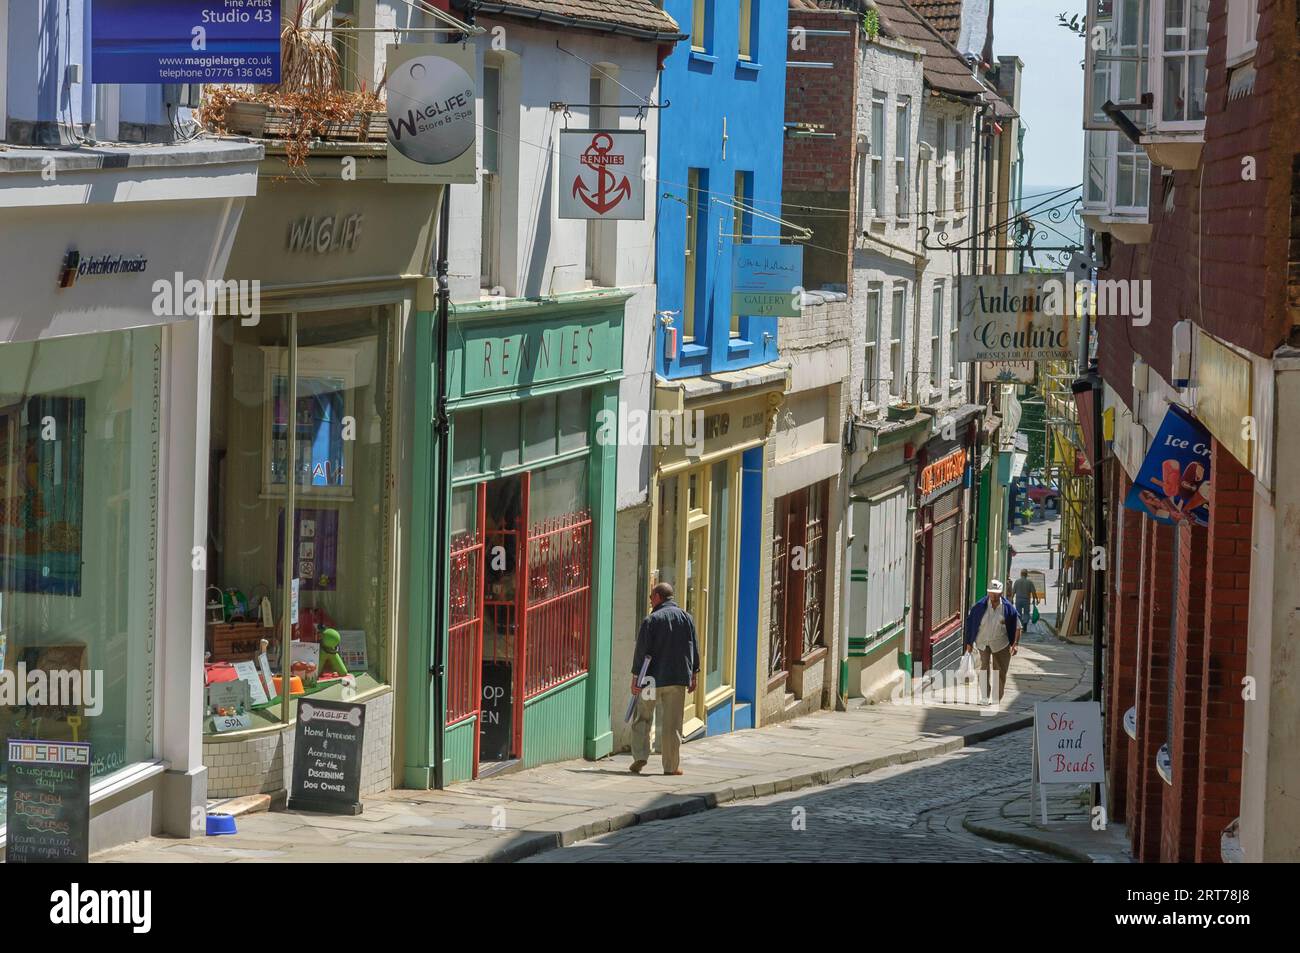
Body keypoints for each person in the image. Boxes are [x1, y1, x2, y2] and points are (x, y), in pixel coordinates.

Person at [629, 582, 699, 776]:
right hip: (677, 679)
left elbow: (641, 651)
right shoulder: (687, 618)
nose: (651, 601)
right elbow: (694, 646)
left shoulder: (650, 620)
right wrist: (694, 673)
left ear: (659, 597)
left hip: (651, 679)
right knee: (672, 723)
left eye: (652, 597)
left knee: (643, 716)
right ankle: (671, 766)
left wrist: (636, 677)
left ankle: (640, 756)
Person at [963, 579, 1020, 704]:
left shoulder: (1009, 609)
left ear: (1001, 593)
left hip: (1001, 643)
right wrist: (968, 643)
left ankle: (996, 698)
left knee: (999, 671)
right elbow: (970, 624)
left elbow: (1017, 627)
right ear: (988, 592)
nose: (994, 595)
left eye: (997, 593)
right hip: (983, 642)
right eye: (992, 592)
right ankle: (984, 696)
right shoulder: (978, 607)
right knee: (984, 668)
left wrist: (1015, 644)